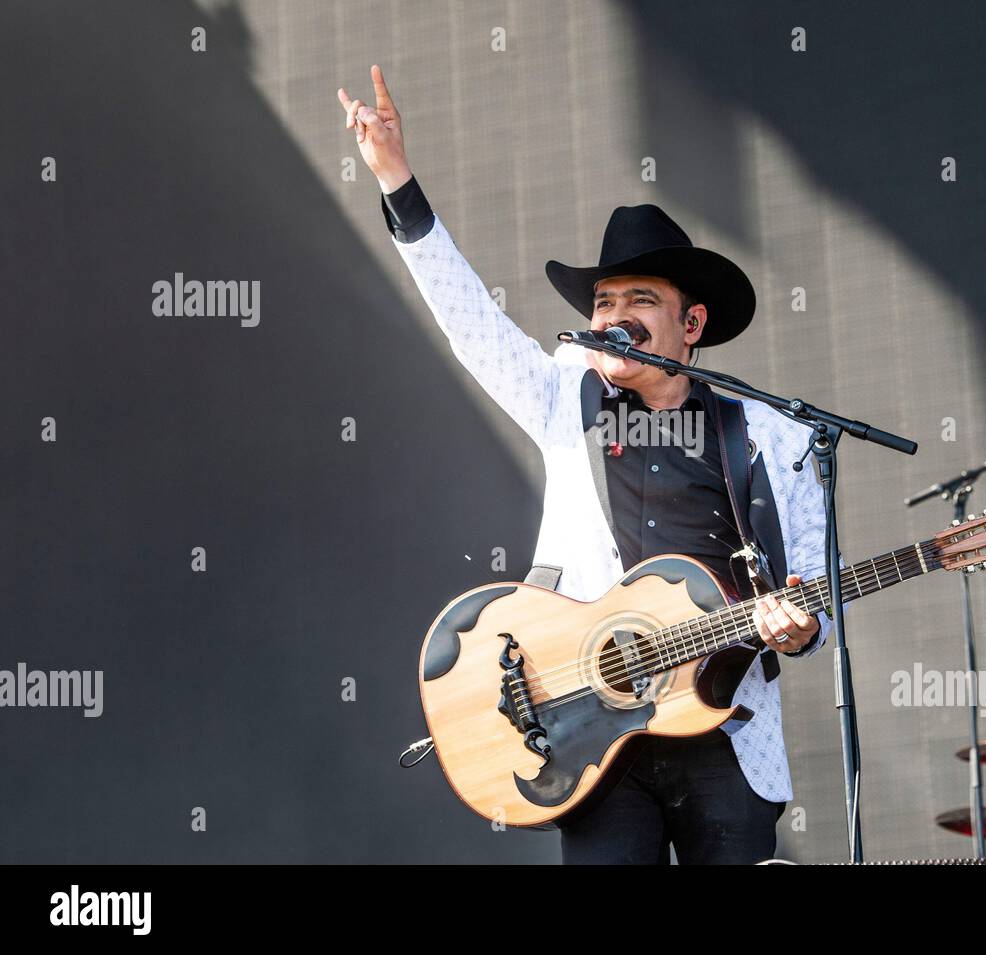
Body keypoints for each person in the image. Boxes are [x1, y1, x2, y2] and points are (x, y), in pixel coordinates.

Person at [339, 65, 833, 864]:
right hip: (594, 730)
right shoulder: (565, 398)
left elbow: (814, 579)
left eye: (637, 301)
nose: (611, 318)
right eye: (602, 304)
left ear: (690, 322)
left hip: (727, 735)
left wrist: (801, 621)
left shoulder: (769, 432)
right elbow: (472, 326)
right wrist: (398, 180)